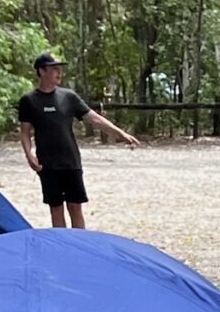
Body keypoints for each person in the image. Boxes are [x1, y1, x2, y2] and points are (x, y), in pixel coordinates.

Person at [16, 54, 138, 227]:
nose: (59, 73)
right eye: (54, 69)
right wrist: (29, 155)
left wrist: (120, 133)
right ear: (41, 71)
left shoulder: (68, 97)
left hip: (71, 161)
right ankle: (62, 246)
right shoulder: (28, 100)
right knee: (56, 207)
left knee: (75, 206)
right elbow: (25, 132)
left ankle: (80, 245)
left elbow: (94, 118)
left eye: (60, 69)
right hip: (48, 163)